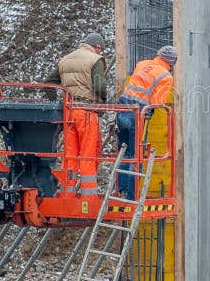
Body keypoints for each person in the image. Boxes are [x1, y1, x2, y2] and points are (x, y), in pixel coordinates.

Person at [44, 32, 107, 196]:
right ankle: (89, 196)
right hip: (87, 113)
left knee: (70, 156)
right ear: (97, 46)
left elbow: (48, 83)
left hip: (68, 112)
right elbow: (99, 87)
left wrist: (56, 102)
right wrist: (103, 103)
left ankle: (68, 193)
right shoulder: (95, 60)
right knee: (88, 155)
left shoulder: (66, 60)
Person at [116, 45, 177, 199]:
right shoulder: (166, 77)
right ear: (171, 63)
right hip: (138, 115)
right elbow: (157, 102)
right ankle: (131, 197)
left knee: (124, 151)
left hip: (122, 108)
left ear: (158, 54)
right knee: (137, 156)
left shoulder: (141, 64)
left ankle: (120, 190)